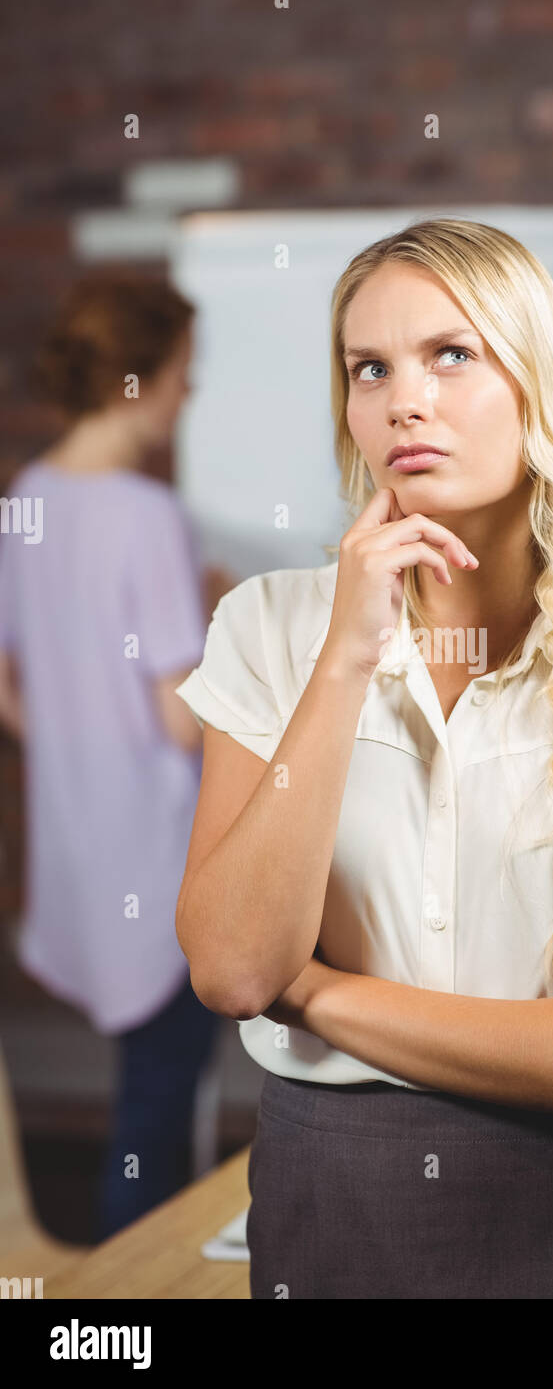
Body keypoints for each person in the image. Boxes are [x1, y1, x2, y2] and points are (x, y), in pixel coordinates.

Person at [175, 217, 553, 1300]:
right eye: (370, 368)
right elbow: (230, 966)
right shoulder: (266, 630)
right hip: (327, 1198)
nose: (402, 398)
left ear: (538, 385)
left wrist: (311, 990)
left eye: (449, 354)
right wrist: (344, 661)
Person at [0, 274, 227, 1240]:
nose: (192, 392)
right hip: (161, 851)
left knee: (144, 1089)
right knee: (157, 1102)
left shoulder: (28, 496)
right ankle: (127, 1293)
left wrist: (75, 738)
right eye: (183, 371)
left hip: (83, 844)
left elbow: (12, 683)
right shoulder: (148, 518)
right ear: (139, 380)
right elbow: (184, 721)